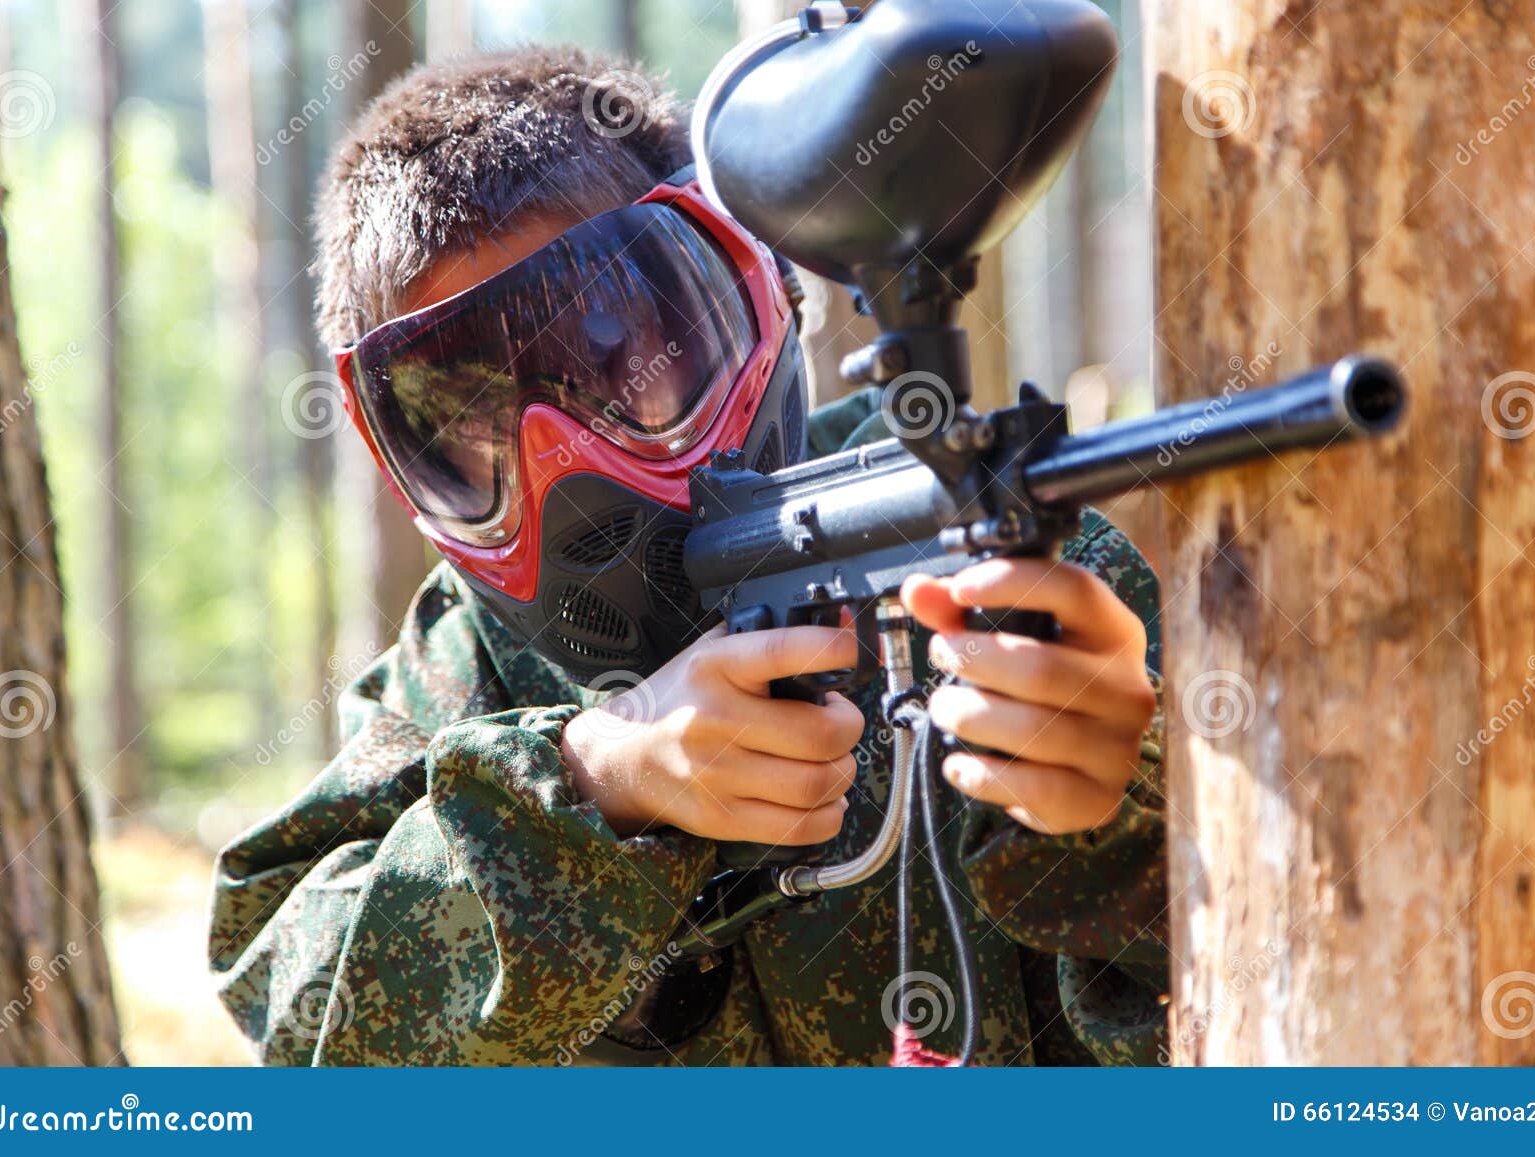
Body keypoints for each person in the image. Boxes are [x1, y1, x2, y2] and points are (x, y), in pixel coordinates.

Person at [208, 46, 1169, 1066]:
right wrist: (594, 784)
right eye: (474, 423)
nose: (564, 463)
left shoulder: (974, 569)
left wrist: (1122, 817)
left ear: (760, 297)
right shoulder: (462, 671)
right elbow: (294, 1003)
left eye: (620, 358)